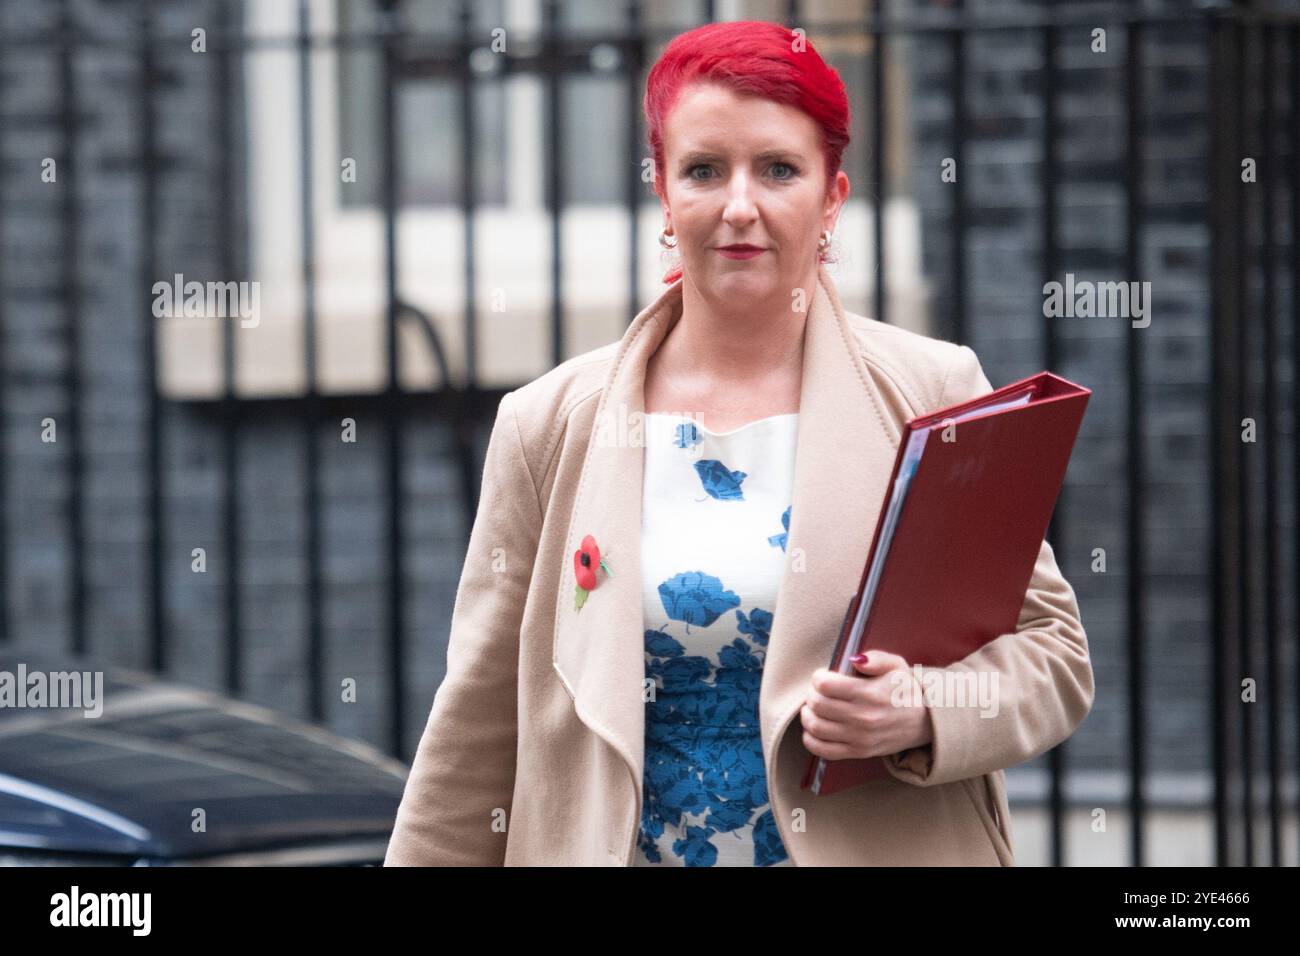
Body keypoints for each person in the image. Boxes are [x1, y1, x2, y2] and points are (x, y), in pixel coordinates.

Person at [384, 20, 1093, 867]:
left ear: (833, 197)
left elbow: (1054, 655)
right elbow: (477, 724)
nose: (740, 206)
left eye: (779, 170)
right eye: (705, 170)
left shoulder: (930, 389)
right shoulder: (549, 423)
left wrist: (924, 711)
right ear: (664, 192)